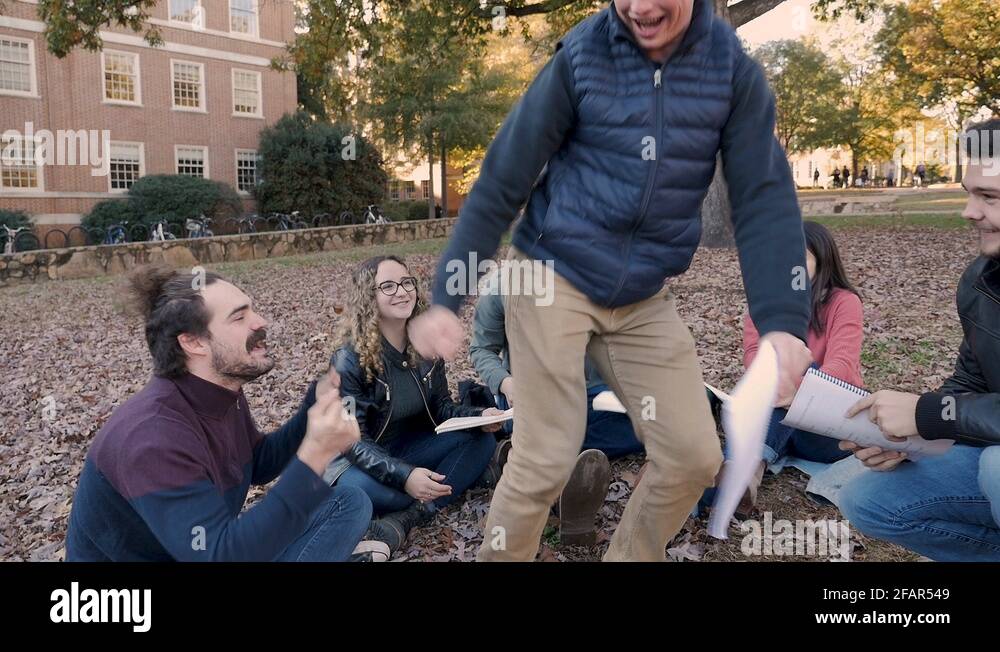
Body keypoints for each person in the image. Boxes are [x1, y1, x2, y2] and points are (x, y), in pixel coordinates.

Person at [407, 0, 813, 561]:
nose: (640, 8)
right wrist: (447, 297)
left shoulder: (731, 71)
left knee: (695, 455)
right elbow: (503, 178)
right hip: (551, 274)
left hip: (642, 293)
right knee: (546, 453)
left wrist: (783, 321)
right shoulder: (582, 55)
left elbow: (763, 196)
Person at [66, 265, 375, 561]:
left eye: (252, 310)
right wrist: (315, 458)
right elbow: (219, 555)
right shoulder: (152, 439)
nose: (261, 322)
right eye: (239, 317)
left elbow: (258, 464)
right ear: (193, 342)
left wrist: (314, 406)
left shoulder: (221, 394)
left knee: (347, 502)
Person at [838, 119, 1000, 561]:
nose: (968, 210)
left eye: (989, 197)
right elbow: (970, 382)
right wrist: (910, 440)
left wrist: (930, 414)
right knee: (868, 500)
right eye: (970, 192)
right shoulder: (980, 282)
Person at [326, 255, 502, 556]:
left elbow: (442, 409)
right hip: (361, 463)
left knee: (481, 439)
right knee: (357, 492)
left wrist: (478, 416)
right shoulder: (349, 360)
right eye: (389, 286)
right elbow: (352, 442)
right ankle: (456, 480)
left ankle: (408, 517)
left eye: (407, 282)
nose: (402, 291)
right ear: (369, 298)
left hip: (415, 447)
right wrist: (404, 476)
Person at [470, 269, 645, 544]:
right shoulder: (501, 287)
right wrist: (505, 382)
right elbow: (481, 349)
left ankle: (540, 456)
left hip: (588, 391)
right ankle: (560, 481)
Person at [703, 221, 861, 514]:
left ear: (823, 259)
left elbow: (843, 367)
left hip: (828, 427)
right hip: (781, 415)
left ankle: (742, 471)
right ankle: (742, 478)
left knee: (784, 378)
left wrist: (797, 389)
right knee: (771, 383)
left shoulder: (843, 302)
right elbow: (753, 356)